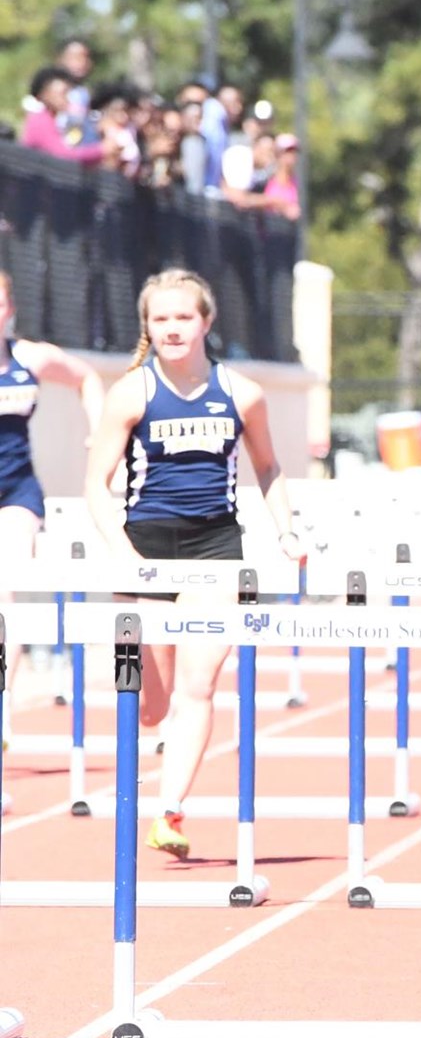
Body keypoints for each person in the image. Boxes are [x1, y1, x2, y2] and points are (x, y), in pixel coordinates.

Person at [83, 270, 303, 859]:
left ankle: (170, 812)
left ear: (206, 321)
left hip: (216, 552)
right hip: (148, 551)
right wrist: (123, 554)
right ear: (147, 327)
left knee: (199, 684)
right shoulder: (132, 392)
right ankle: (160, 750)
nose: (172, 329)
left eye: (183, 317)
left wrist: (287, 530)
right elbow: (94, 484)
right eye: (160, 319)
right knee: (152, 705)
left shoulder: (242, 392)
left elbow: (269, 467)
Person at [0, 270, 105, 739]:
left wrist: (100, 431)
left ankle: (3, 709)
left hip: (16, 493)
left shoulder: (31, 358)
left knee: (4, 596)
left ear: (10, 307)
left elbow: (87, 380)